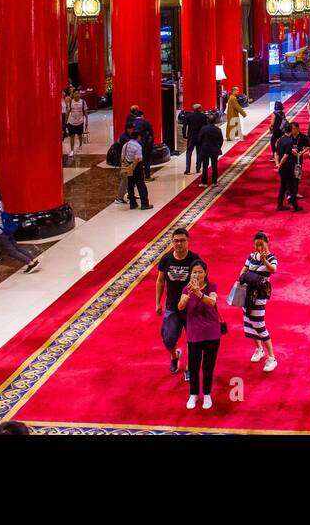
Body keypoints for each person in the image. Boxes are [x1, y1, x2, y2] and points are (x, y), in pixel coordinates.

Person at [155, 227, 202, 383]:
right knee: (168, 338)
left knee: (192, 340)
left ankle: (189, 367)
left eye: (182, 241)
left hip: (191, 308)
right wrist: (157, 302)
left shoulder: (195, 259)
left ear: (188, 242)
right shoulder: (166, 259)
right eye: (176, 241)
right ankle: (175, 356)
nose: (179, 244)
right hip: (171, 307)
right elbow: (160, 280)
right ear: (172, 243)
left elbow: (202, 282)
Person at [179, 259, 221, 410]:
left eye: (200, 272)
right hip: (194, 334)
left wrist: (199, 293)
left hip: (211, 334)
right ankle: (193, 394)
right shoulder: (186, 289)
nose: (197, 275)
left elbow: (212, 302)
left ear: (205, 273)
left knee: (208, 367)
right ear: (190, 274)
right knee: (194, 367)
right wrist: (188, 295)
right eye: (194, 272)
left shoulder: (211, 287)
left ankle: (207, 394)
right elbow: (180, 306)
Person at [239, 231, 278, 372]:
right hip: (247, 293)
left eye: (261, 244)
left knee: (259, 323)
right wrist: (252, 277)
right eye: (256, 245)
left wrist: (264, 261)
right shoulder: (251, 256)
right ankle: (259, 349)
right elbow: (241, 273)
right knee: (249, 321)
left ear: (267, 243)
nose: (258, 247)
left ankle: (272, 357)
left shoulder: (272, 257)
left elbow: (273, 270)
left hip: (260, 295)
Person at [275, 121, 303, 212]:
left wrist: (277, 164)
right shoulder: (290, 141)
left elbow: (276, 153)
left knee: (283, 186)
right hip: (287, 168)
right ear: (291, 130)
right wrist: (280, 165)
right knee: (291, 187)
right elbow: (285, 156)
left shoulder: (280, 139)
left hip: (282, 168)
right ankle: (295, 206)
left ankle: (279, 204)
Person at [121, 124, 150, 210]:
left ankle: (132, 204)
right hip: (136, 167)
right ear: (137, 137)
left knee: (130, 185)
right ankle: (144, 204)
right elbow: (138, 159)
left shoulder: (125, 145)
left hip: (127, 165)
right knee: (141, 185)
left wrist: (127, 166)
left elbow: (122, 157)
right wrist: (133, 167)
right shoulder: (137, 146)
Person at [127, 105, 155, 180]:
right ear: (142, 115)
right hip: (143, 144)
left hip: (132, 143)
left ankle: (132, 177)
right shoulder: (144, 121)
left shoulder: (132, 122)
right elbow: (151, 132)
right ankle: (147, 176)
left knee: (133, 160)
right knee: (146, 159)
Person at [197, 116, 223, 187]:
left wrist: (201, 146)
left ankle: (204, 182)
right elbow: (221, 140)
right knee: (214, 166)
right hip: (214, 150)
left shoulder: (203, 129)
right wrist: (218, 147)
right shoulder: (218, 129)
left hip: (205, 149)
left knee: (205, 166)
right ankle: (214, 182)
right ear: (214, 121)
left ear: (208, 121)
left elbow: (199, 139)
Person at [182, 103, 207, 175]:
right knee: (199, 152)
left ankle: (187, 169)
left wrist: (184, 135)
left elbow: (184, 126)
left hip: (191, 136)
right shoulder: (203, 116)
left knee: (189, 153)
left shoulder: (189, 116)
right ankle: (198, 168)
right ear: (199, 109)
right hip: (200, 137)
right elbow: (205, 127)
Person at [64, 91, 88, 156]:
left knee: (80, 135)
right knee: (72, 136)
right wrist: (65, 122)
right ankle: (72, 150)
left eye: (78, 93)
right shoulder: (71, 102)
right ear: (73, 95)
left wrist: (86, 121)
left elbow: (85, 112)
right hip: (71, 122)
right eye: (75, 94)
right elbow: (68, 112)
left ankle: (80, 145)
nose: (77, 95)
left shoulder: (83, 102)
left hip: (80, 122)